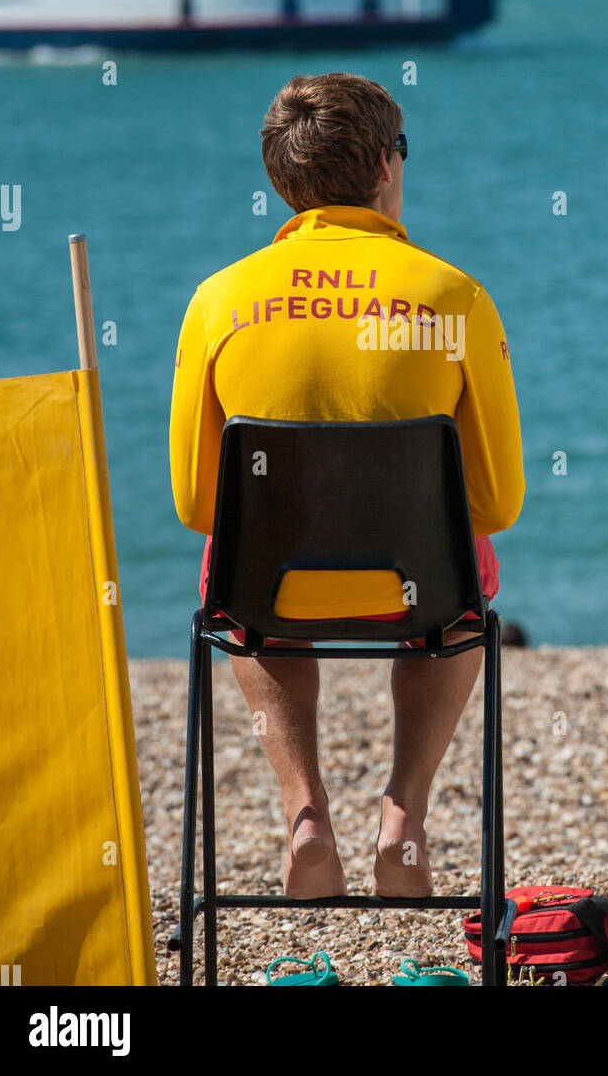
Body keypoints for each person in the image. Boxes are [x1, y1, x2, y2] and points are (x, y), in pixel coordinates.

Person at [169, 72, 524, 899]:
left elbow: (196, 504)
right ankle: (403, 817)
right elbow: (498, 500)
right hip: (417, 595)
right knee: (467, 573)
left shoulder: (216, 301)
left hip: (270, 595)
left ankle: (306, 816)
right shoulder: (453, 296)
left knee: (241, 568)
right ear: (384, 164)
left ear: (280, 181)